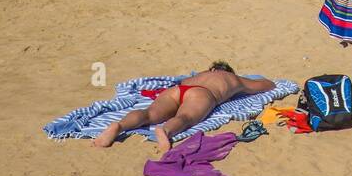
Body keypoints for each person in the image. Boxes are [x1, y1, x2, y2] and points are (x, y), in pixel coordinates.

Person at [91, 64, 278, 153]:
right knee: (187, 117)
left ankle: (119, 126)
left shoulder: (196, 76)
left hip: (178, 89)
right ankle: (165, 131)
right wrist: (241, 83)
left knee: (149, 113)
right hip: (202, 94)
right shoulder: (232, 79)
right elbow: (266, 85)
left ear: (211, 69)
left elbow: (183, 83)